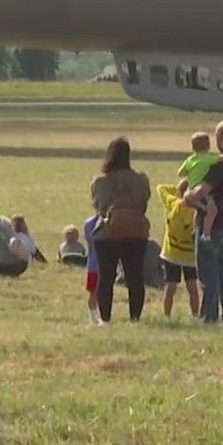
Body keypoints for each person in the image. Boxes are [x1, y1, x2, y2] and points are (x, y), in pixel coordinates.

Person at [184, 121, 223, 324]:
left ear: (219, 140)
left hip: (209, 223)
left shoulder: (221, 165)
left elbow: (200, 191)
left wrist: (188, 196)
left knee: (208, 273)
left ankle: (208, 315)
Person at [89, 137, 152, 322]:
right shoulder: (140, 179)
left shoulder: (100, 180)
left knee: (106, 278)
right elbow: (144, 203)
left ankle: (105, 319)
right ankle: (135, 317)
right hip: (136, 233)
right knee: (135, 278)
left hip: (106, 234)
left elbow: (97, 205)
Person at [156, 182, 201, 316]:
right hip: (190, 255)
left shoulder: (172, 203)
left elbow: (161, 188)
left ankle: (167, 315)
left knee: (170, 287)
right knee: (193, 287)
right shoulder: (197, 212)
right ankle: (195, 315)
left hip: (171, 253)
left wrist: (179, 189)